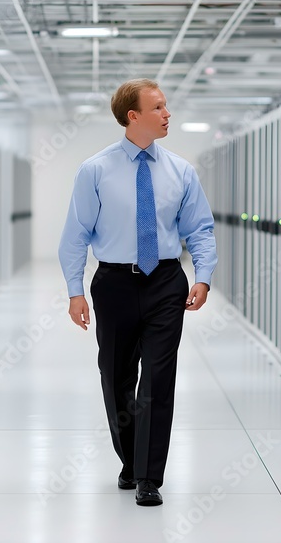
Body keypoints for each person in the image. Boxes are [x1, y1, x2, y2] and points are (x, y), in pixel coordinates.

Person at [57, 78, 217, 506]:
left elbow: (199, 228)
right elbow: (76, 234)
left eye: (166, 107)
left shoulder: (181, 170)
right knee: (116, 378)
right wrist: (75, 291)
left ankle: (149, 476)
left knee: (158, 379)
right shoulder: (95, 169)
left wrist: (202, 276)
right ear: (134, 116)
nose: (168, 115)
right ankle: (130, 459)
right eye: (159, 108)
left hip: (166, 281)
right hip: (115, 283)